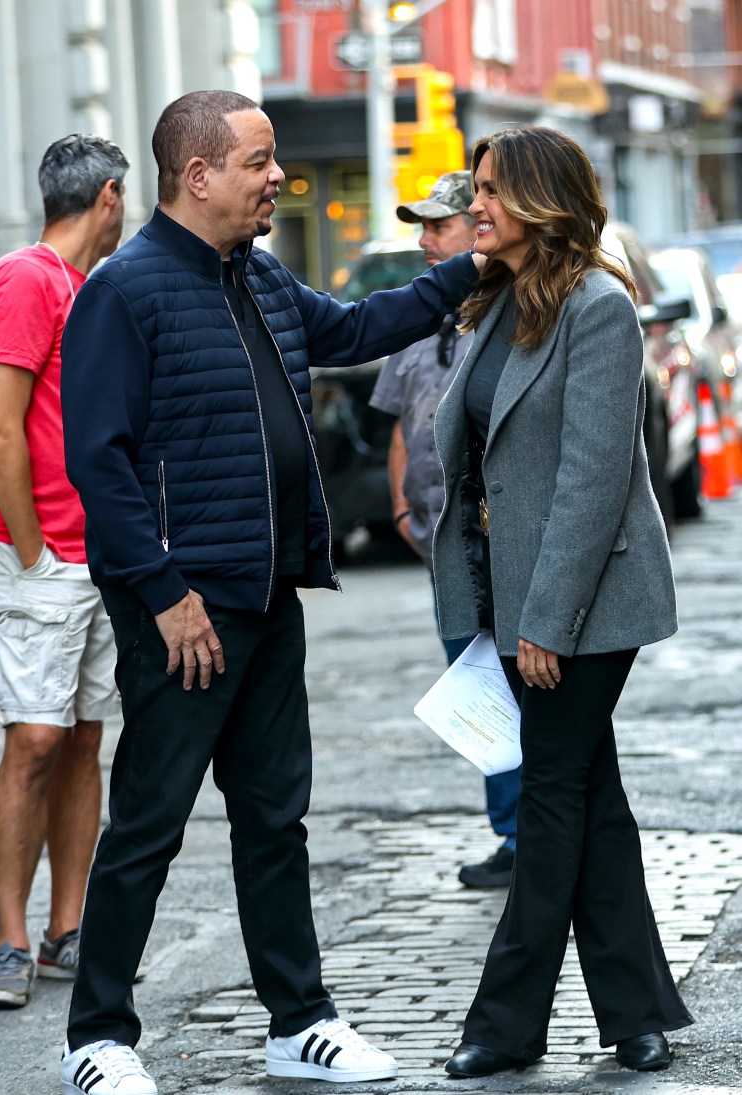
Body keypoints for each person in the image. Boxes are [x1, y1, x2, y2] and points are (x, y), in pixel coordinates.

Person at [57, 90, 481, 1095]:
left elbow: (359, 326)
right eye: (259, 161)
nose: (278, 177)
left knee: (275, 819)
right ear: (198, 174)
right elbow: (97, 462)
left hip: (265, 593)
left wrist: (472, 266)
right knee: (149, 825)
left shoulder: (258, 272)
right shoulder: (124, 290)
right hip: (182, 608)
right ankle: (96, 1038)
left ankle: (300, 1021)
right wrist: (164, 594)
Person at [430, 126, 694, 1078]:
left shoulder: (599, 306)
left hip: (585, 599)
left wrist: (547, 621)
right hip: (508, 592)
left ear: (540, 201)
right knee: (590, 794)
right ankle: (638, 1014)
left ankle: (505, 1023)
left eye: (492, 190)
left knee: (548, 797)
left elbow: (592, 478)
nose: (476, 204)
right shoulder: (496, 301)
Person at [0, 135, 128, 1010]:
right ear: (108, 195)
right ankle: (7, 941)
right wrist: (34, 550)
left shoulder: (85, 286)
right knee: (33, 739)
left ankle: (66, 927)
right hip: (34, 555)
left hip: (94, 554)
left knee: (82, 738)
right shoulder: (25, 277)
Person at [369, 171, 520, 889]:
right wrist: (403, 509)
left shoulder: (513, 308)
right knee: (478, 688)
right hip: (442, 544)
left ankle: (543, 833)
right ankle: (513, 834)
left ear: (478, 226)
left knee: (525, 684)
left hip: (503, 540)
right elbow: (403, 426)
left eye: (439, 225)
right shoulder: (419, 315)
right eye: (423, 227)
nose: (426, 240)